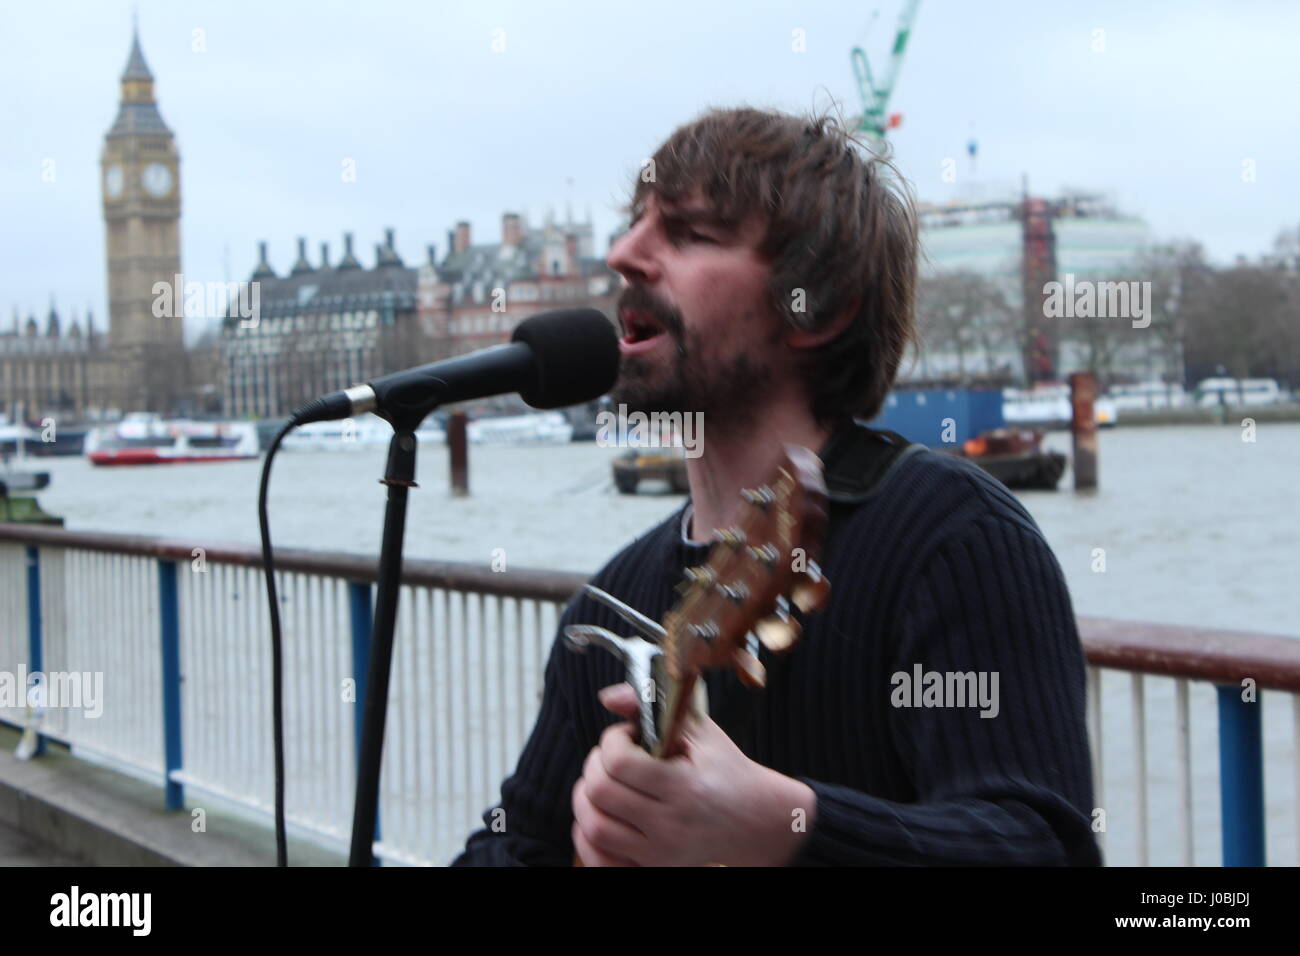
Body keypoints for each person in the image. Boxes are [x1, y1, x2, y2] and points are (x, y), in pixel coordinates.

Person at [452, 106, 1101, 866]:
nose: (625, 254)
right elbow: (513, 846)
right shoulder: (610, 602)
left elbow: (1040, 848)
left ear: (819, 307)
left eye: (691, 233)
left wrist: (793, 829)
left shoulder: (955, 540)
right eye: (635, 224)